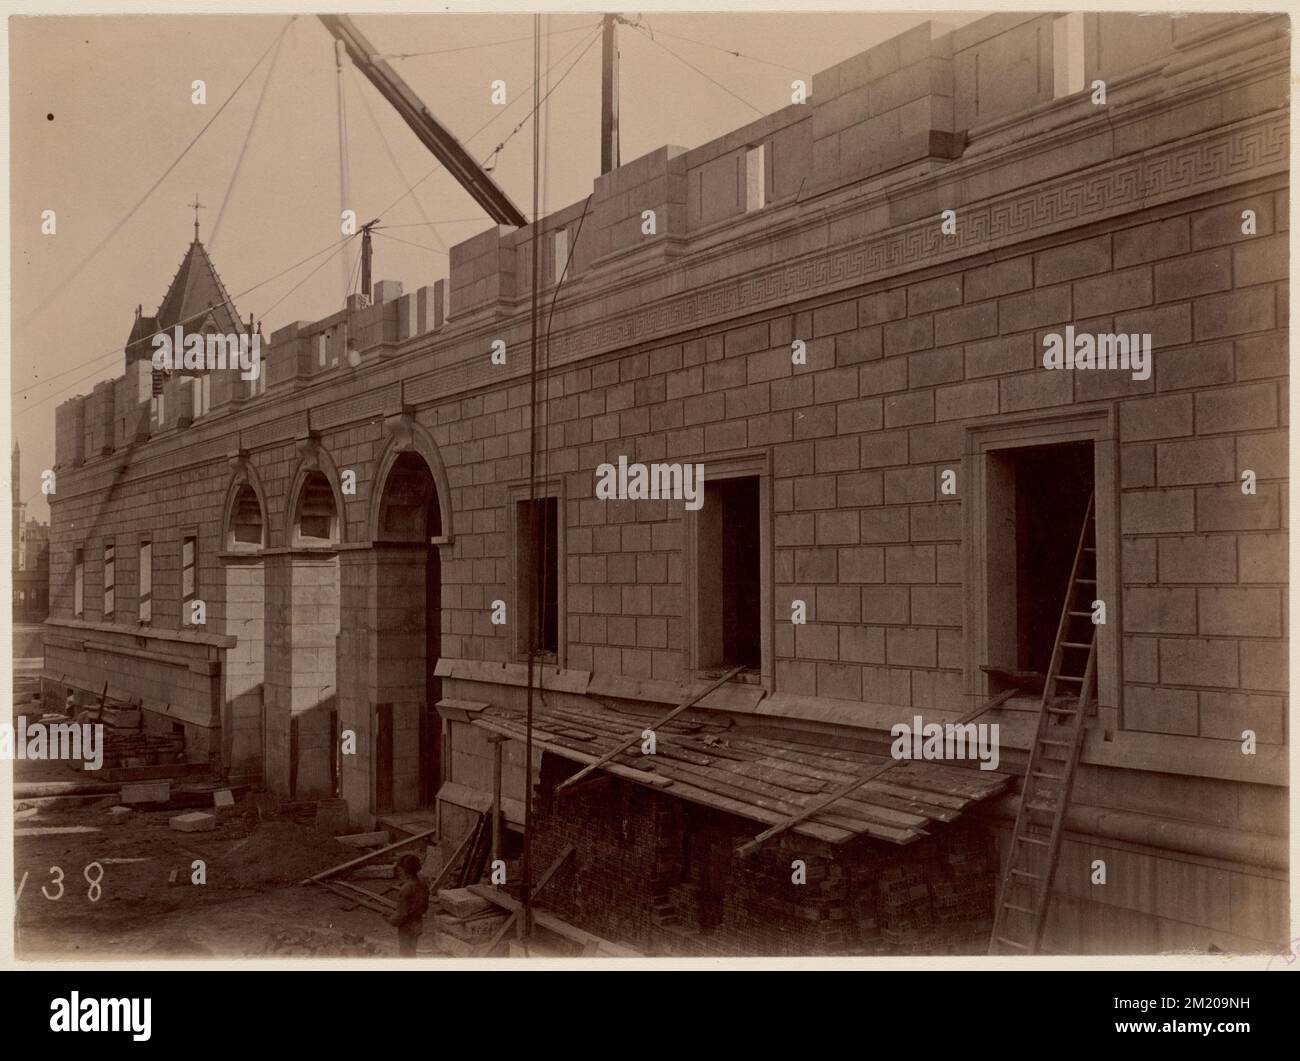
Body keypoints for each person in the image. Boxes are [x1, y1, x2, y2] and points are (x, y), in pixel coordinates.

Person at [387, 853, 430, 957]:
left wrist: (391, 919)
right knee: (412, 952)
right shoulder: (423, 884)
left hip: (406, 926)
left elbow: (402, 914)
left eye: (401, 868)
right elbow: (425, 906)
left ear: (405, 870)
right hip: (417, 923)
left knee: (405, 953)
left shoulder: (406, 889)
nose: (399, 870)